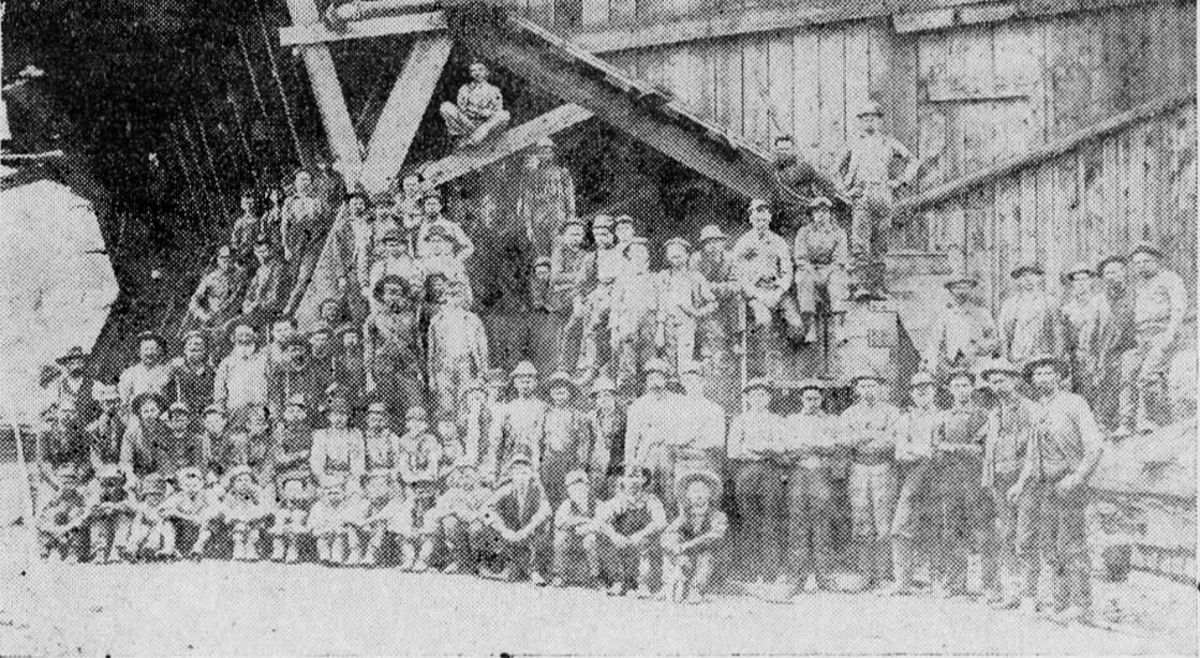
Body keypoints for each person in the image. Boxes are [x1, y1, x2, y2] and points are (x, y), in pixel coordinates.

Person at [1011, 354, 1104, 625]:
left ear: (1059, 376)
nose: (1042, 378)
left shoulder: (1075, 403)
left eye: (1048, 373)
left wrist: (1077, 477)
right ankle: (1062, 605)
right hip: (1045, 487)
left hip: (1069, 484)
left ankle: (1081, 604)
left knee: (1072, 545)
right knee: (1051, 547)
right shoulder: (1037, 410)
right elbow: (1031, 454)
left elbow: (1094, 446)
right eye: (1038, 374)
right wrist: (1020, 483)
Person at [928, 368, 989, 598]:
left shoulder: (983, 415)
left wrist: (954, 448)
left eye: (965, 385)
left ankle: (989, 586)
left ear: (972, 388)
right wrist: (960, 449)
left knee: (982, 529)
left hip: (976, 479)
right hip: (951, 479)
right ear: (949, 389)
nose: (961, 389)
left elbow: (982, 448)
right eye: (956, 386)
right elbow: (936, 446)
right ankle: (955, 584)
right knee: (953, 530)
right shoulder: (943, 416)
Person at [835, 100, 919, 263]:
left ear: (880, 120)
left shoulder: (889, 142)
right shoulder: (853, 143)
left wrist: (900, 181)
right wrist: (845, 192)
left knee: (881, 242)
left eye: (873, 117)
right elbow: (835, 169)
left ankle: (877, 285)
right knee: (859, 245)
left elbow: (913, 162)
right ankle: (862, 286)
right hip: (861, 194)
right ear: (860, 121)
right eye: (865, 117)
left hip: (882, 194)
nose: (869, 121)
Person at [1117, 242, 1188, 436]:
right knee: (1127, 370)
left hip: (1163, 334)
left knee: (1148, 376)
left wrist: (1169, 335)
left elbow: (1178, 309)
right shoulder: (1138, 285)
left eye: (1146, 261)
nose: (1141, 266)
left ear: (1156, 261)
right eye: (1137, 263)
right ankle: (1126, 422)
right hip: (1142, 338)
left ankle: (1149, 419)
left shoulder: (1170, 279)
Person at [840, 368, 901, 589]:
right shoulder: (848, 414)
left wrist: (863, 439)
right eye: (864, 385)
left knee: (884, 522)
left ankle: (884, 574)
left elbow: (893, 440)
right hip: (858, 470)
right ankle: (864, 574)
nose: (868, 390)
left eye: (873, 385)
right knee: (861, 521)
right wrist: (873, 435)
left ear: (880, 387)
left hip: (883, 468)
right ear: (856, 388)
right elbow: (845, 440)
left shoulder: (892, 412)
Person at [727, 377, 788, 584]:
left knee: (771, 521)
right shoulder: (740, 421)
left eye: (763, 394)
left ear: (769, 397)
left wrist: (755, 447)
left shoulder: (777, 420)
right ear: (747, 398)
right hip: (746, 473)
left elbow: (782, 448)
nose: (758, 398)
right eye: (754, 395)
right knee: (748, 522)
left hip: (770, 472)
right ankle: (750, 572)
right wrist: (763, 448)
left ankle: (770, 572)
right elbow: (734, 451)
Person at [781, 378, 839, 594]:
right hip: (798, 474)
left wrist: (809, 446)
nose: (812, 402)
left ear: (822, 398)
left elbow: (833, 445)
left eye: (816, 398)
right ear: (801, 398)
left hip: (821, 475)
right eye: (807, 398)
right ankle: (797, 579)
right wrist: (816, 446)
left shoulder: (831, 421)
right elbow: (788, 447)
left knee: (821, 525)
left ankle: (825, 578)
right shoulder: (792, 421)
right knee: (798, 524)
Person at [885, 371, 940, 596]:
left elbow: (938, 450)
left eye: (926, 389)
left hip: (938, 477)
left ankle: (936, 579)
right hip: (911, 478)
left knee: (936, 529)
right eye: (918, 390)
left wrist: (919, 451)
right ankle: (902, 581)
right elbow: (900, 453)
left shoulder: (942, 416)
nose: (922, 394)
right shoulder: (905, 419)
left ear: (934, 391)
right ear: (911, 394)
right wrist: (923, 451)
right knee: (900, 528)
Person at [480, 453, 553, 583]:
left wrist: (527, 530)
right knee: (488, 527)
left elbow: (546, 510)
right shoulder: (506, 490)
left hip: (528, 537)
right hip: (509, 536)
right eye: (517, 473)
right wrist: (503, 530)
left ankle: (534, 570)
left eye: (524, 473)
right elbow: (486, 509)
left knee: (543, 528)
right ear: (512, 475)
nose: (521, 477)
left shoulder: (537, 490)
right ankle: (501, 566)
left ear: (531, 475)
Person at [595, 465, 667, 597]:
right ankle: (618, 581)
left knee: (653, 540)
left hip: (643, 546)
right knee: (602, 537)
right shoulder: (617, 501)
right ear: (622, 480)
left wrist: (641, 535)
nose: (633, 481)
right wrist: (615, 536)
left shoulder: (651, 500)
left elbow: (661, 521)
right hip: (622, 545)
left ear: (644, 480)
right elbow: (600, 521)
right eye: (629, 477)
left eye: (637, 477)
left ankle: (643, 584)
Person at [363, 275, 425, 425]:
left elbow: (418, 346)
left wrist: (420, 372)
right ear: (382, 296)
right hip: (383, 370)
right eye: (390, 293)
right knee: (387, 409)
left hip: (408, 369)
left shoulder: (411, 317)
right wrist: (369, 376)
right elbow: (368, 348)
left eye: (397, 293)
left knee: (415, 407)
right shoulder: (373, 319)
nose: (394, 297)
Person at [664, 363, 725, 513]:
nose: (690, 384)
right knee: (684, 507)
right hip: (682, 463)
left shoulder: (715, 410)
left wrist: (686, 439)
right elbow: (671, 439)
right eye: (686, 380)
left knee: (706, 508)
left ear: (702, 381)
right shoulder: (674, 409)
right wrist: (692, 437)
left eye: (694, 379)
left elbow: (717, 442)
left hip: (706, 463)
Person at [660, 470, 727, 604]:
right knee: (673, 548)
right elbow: (668, 533)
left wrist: (688, 545)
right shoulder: (686, 515)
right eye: (694, 491)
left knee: (705, 557)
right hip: (690, 555)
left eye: (702, 491)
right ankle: (669, 584)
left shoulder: (717, 515)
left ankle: (696, 589)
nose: (698, 495)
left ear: (710, 494)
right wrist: (674, 546)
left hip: (714, 556)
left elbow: (714, 536)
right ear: (687, 495)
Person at [791, 196, 851, 344]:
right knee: (802, 278)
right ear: (812, 214)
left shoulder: (838, 233)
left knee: (839, 278)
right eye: (817, 212)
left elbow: (840, 259)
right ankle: (810, 327)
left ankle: (839, 327)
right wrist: (812, 271)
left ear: (830, 214)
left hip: (831, 270)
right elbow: (801, 258)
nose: (821, 215)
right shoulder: (804, 232)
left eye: (825, 211)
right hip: (810, 270)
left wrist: (828, 272)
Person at [428, 279, 490, 421]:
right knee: (446, 404)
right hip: (443, 366)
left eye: (457, 295)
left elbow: (482, 349)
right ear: (444, 297)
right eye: (450, 295)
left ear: (463, 297)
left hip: (466, 364)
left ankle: (466, 437)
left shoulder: (472, 320)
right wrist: (432, 376)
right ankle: (449, 438)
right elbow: (432, 351)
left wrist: (483, 373)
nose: (454, 299)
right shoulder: (437, 321)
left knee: (466, 402)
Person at [569, 215, 623, 375]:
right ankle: (590, 366)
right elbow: (580, 284)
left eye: (604, 234)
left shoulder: (621, 254)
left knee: (618, 331)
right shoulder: (592, 257)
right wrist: (578, 301)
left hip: (620, 295)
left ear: (612, 235)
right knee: (590, 326)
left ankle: (617, 369)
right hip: (599, 295)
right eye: (597, 234)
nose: (601, 238)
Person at [623, 359, 681, 504]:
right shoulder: (638, 406)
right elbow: (631, 437)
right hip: (646, 456)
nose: (655, 382)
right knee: (648, 492)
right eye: (651, 378)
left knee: (671, 493)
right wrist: (630, 463)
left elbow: (682, 429)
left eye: (658, 377)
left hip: (671, 453)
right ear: (646, 381)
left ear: (665, 379)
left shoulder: (677, 401)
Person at [657, 237, 716, 377]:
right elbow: (660, 304)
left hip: (687, 325)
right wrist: (660, 328)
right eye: (671, 256)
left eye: (678, 255)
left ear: (687, 255)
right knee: (668, 365)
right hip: (667, 325)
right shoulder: (663, 277)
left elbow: (713, 303)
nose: (675, 259)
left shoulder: (696, 277)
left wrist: (696, 313)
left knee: (685, 364)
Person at [923, 274, 1001, 379]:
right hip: (952, 368)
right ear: (950, 290)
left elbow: (994, 339)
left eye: (966, 287)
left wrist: (982, 346)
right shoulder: (944, 316)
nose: (961, 291)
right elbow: (934, 344)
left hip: (978, 366)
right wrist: (929, 364)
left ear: (971, 289)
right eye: (957, 287)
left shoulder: (982, 314)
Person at [609, 237, 661, 387]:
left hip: (649, 325)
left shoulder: (654, 279)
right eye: (634, 253)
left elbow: (661, 305)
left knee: (649, 362)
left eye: (642, 252)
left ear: (647, 256)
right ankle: (627, 394)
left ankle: (648, 394)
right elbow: (615, 307)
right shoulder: (621, 280)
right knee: (627, 361)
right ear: (628, 256)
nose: (638, 256)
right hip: (627, 324)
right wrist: (614, 330)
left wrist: (659, 329)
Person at [423, 462, 492, 573]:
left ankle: (480, 563)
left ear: (477, 477)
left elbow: (488, 513)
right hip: (460, 530)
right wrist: (453, 511)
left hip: (477, 527)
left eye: (469, 476)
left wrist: (474, 516)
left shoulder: (485, 493)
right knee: (449, 521)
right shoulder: (454, 492)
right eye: (463, 476)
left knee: (476, 528)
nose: (465, 479)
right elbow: (438, 508)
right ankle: (458, 560)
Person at [1094, 255, 1137, 429]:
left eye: (1116, 271)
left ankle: (1128, 423)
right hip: (1109, 349)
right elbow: (1095, 330)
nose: (1113, 276)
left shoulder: (1135, 293)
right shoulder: (1100, 301)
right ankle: (1107, 425)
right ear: (1104, 277)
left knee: (1128, 381)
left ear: (1124, 272)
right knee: (1107, 385)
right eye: (1108, 273)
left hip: (1132, 346)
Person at [1059, 263, 1110, 407]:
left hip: (1096, 355)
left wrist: (1100, 357)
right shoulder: (1067, 309)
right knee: (1076, 393)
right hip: (1076, 358)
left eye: (1084, 279)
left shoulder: (1100, 304)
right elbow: (1064, 338)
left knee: (1097, 390)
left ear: (1091, 281)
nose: (1081, 284)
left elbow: (1105, 332)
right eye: (1076, 280)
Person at [516, 137, 577, 257]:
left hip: (559, 219)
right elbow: (528, 203)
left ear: (553, 153)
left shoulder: (562, 173)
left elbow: (569, 198)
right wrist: (529, 225)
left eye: (549, 151)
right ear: (537, 153)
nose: (546, 154)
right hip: (539, 221)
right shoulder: (531, 176)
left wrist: (571, 221)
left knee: (559, 253)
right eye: (542, 151)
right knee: (542, 258)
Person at [689, 224, 740, 365]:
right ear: (703, 245)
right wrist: (710, 293)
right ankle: (702, 346)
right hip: (704, 300)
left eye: (716, 242)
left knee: (736, 298)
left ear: (722, 243)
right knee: (695, 297)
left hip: (725, 301)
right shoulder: (696, 259)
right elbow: (695, 284)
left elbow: (735, 285)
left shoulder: (731, 258)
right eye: (708, 243)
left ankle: (734, 340)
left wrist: (712, 288)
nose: (713, 246)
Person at [538, 372, 588, 509]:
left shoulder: (577, 416)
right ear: (550, 393)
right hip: (549, 464)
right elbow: (539, 440)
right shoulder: (545, 415)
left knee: (568, 499)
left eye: (563, 388)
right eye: (555, 388)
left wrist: (580, 467)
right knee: (548, 499)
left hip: (569, 463)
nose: (559, 391)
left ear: (569, 392)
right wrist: (540, 462)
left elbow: (583, 443)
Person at [488, 361, 547, 478]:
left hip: (534, 460)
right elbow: (497, 440)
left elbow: (542, 438)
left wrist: (537, 466)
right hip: (510, 459)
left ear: (535, 383)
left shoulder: (542, 407)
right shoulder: (507, 408)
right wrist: (493, 470)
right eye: (521, 381)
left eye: (529, 380)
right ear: (515, 383)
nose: (525, 384)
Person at [998, 263, 1062, 370]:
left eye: (1032, 275)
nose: (1028, 279)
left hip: (1042, 363)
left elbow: (1057, 334)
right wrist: (1006, 364)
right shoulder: (1009, 304)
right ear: (1018, 280)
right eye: (1023, 276)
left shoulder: (1049, 302)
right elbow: (1004, 337)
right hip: (1017, 362)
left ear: (1039, 278)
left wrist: (1056, 362)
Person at [439, 61, 511, 147]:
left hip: (486, 125)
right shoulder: (465, 89)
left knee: (504, 114)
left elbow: (497, 110)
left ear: (487, 72)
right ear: (470, 74)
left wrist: (485, 113)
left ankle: (474, 138)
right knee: (445, 106)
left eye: (480, 70)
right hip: (468, 123)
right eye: (473, 71)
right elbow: (461, 108)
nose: (477, 73)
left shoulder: (494, 90)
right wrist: (472, 112)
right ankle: (468, 136)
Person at [550, 469, 602, 587]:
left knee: (591, 539)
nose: (578, 491)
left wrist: (585, 529)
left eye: (581, 487)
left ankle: (595, 576)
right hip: (572, 540)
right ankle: (559, 574)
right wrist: (581, 520)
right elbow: (559, 522)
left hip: (591, 541)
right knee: (560, 538)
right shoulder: (567, 504)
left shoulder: (596, 504)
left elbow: (601, 522)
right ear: (568, 491)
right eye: (573, 488)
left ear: (587, 488)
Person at [212, 319, 269, 425]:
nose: (244, 338)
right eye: (240, 334)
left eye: (248, 334)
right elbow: (219, 389)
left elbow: (272, 385)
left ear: (254, 337)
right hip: (235, 412)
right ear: (233, 338)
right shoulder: (226, 363)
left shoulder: (263, 360)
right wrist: (220, 411)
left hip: (259, 412)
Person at [266, 334, 331, 426]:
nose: (297, 353)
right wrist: (280, 416)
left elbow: (330, 388)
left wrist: (322, 407)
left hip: (313, 417)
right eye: (293, 350)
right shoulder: (279, 370)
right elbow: (274, 394)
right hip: (286, 418)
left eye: (300, 349)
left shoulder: (315, 368)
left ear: (306, 351)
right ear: (286, 352)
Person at [186, 246, 245, 340]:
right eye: (223, 258)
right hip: (213, 323)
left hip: (234, 325)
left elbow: (243, 303)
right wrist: (203, 315)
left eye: (230, 258)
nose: (227, 261)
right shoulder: (210, 278)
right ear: (217, 259)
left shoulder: (239, 278)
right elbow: (194, 300)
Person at [309, 393, 365, 490]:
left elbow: (358, 461)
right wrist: (324, 478)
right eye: (335, 414)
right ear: (328, 416)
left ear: (348, 416)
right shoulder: (321, 435)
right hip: (326, 478)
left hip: (349, 479)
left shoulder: (355, 434)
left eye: (343, 414)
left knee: (354, 491)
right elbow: (316, 461)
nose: (339, 418)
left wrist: (352, 478)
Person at [159, 466, 217, 559]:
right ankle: (169, 548)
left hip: (200, 528)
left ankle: (198, 549)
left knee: (208, 526)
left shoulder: (206, 495)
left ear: (201, 484)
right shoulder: (179, 496)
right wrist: (171, 512)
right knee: (167, 522)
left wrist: (179, 514)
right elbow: (162, 510)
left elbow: (214, 511)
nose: (191, 489)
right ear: (181, 485)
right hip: (183, 529)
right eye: (187, 486)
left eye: (194, 485)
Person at [36, 464, 91, 561]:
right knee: (44, 527)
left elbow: (84, 517)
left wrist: (67, 528)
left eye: (71, 479)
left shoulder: (81, 498)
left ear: (76, 481)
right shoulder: (55, 498)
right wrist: (54, 529)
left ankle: (74, 554)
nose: (67, 482)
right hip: (59, 533)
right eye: (63, 479)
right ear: (59, 480)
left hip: (74, 535)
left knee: (78, 525)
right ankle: (45, 553)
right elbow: (43, 517)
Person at [280, 169, 327, 282]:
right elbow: (285, 225)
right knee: (293, 275)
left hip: (312, 242)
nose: (305, 183)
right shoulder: (290, 201)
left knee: (305, 276)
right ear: (295, 182)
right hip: (295, 241)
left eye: (308, 180)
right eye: (302, 180)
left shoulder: (317, 201)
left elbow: (323, 223)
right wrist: (286, 247)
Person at [218, 465, 272, 562]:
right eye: (239, 480)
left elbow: (264, 506)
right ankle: (238, 547)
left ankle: (251, 547)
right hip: (237, 521)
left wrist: (256, 514)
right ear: (233, 484)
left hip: (253, 520)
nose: (243, 483)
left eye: (247, 480)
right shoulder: (232, 495)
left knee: (254, 530)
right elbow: (224, 508)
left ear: (252, 482)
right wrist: (232, 516)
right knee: (239, 527)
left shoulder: (256, 494)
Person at [366, 228, 426, 314]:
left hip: (409, 309)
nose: (394, 248)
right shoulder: (379, 266)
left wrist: (404, 302)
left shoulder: (415, 265)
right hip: (385, 309)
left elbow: (418, 289)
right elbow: (374, 292)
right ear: (386, 247)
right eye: (391, 245)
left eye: (398, 244)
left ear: (405, 246)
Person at [117, 331, 173, 419]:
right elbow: (124, 403)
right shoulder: (130, 373)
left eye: (153, 349)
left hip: (161, 419)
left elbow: (171, 399)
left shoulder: (166, 372)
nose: (149, 353)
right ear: (139, 351)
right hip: (136, 419)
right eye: (146, 349)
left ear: (158, 351)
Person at [583, 375, 624, 496]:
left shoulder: (624, 417)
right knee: (594, 499)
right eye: (599, 396)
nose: (603, 399)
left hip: (617, 466)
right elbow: (586, 445)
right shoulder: (590, 418)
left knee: (615, 498)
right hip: (596, 466)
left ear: (614, 396)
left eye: (607, 395)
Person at [270, 394, 315, 496]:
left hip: (306, 474)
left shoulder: (310, 433)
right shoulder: (279, 433)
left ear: (304, 414)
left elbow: (314, 456)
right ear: (285, 413)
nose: (295, 415)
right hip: (286, 474)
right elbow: (279, 459)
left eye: (299, 411)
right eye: (291, 411)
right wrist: (298, 456)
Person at [85, 464, 132, 563]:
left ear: (121, 484)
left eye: (111, 484)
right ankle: (99, 551)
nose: (107, 488)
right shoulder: (100, 494)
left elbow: (132, 507)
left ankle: (117, 550)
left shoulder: (125, 494)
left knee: (124, 520)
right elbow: (91, 508)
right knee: (97, 523)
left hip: (118, 525)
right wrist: (103, 509)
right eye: (104, 484)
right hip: (104, 524)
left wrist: (116, 508)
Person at [415, 189, 475, 263]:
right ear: (424, 207)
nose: (431, 207)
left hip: (447, 269)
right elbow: (417, 253)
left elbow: (469, 247)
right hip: (427, 269)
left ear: (440, 206)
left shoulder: (450, 226)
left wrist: (456, 260)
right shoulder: (420, 228)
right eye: (428, 204)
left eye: (434, 204)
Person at [123, 472, 171, 561]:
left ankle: (154, 550)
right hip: (144, 528)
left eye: (158, 495)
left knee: (162, 530)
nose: (154, 498)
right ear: (145, 495)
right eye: (151, 495)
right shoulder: (143, 506)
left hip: (158, 529)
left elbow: (163, 521)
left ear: (162, 496)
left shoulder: (163, 506)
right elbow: (137, 518)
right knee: (139, 531)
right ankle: (131, 549)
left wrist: (158, 523)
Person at [240, 240, 286, 326]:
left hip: (272, 312)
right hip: (256, 311)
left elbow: (275, 296)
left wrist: (254, 305)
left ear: (270, 251)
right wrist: (247, 303)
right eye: (258, 252)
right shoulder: (260, 270)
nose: (261, 255)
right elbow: (251, 291)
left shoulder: (278, 268)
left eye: (264, 251)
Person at [307, 480, 354, 565]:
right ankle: (324, 556)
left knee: (339, 539)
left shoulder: (346, 506)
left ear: (343, 494)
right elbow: (312, 523)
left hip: (340, 533)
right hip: (323, 533)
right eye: (330, 493)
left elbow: (349, 522)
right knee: (322, 539)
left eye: (336, 493)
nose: (333, 496)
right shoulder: (318, 506)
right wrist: (320, 530)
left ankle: (337, 556)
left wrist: (339, 529)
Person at [49, 346, 98, 425]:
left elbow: (98, 406)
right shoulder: (60, 383)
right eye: (72, 363)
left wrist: (94, 423)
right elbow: (53, 405)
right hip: (66, 426)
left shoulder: (91, 383)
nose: (76, 366)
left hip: (87, 427)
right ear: (66, 364)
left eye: (79, 362)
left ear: (83, 363)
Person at [169, 331, 215, 414]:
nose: (195, 346)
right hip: (182, 414)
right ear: (185, 350)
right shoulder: (176, 369)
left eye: (199, 345)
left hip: (206, 414)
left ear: (205, 351)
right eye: (191, 344)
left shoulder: (211, 371)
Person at [268, 475, 311, 563]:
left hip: (298, 532)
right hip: (282, 528)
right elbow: (275, 513)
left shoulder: (305, 506)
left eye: (297, 491)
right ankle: (278, 550)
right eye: (290, 490)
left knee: (297, 515)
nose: (293, 494)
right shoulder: (281, 505)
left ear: (303, 492)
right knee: (281, 515)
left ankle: (293, 550)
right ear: (283, 492)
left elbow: (306, 520)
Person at [86, 384, 125, 473]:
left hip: (121, 468)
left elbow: (128, 452)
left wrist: (122, 468)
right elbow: (95, 456)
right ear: (101, 404)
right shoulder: (94, 429)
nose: (112, 405)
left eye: (115, 402)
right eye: (108, 402)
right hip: (102, 469)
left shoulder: (124, 425)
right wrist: (103, 469)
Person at [229, 191, 261, 270]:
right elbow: (235, 238)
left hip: (255, 249)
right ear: (242, 206)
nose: (249, 207)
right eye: (246, 204)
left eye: (251, 204)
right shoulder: (240, 221)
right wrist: (237, 249)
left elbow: (260, 234)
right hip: (243, 249)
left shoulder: (258, 220)